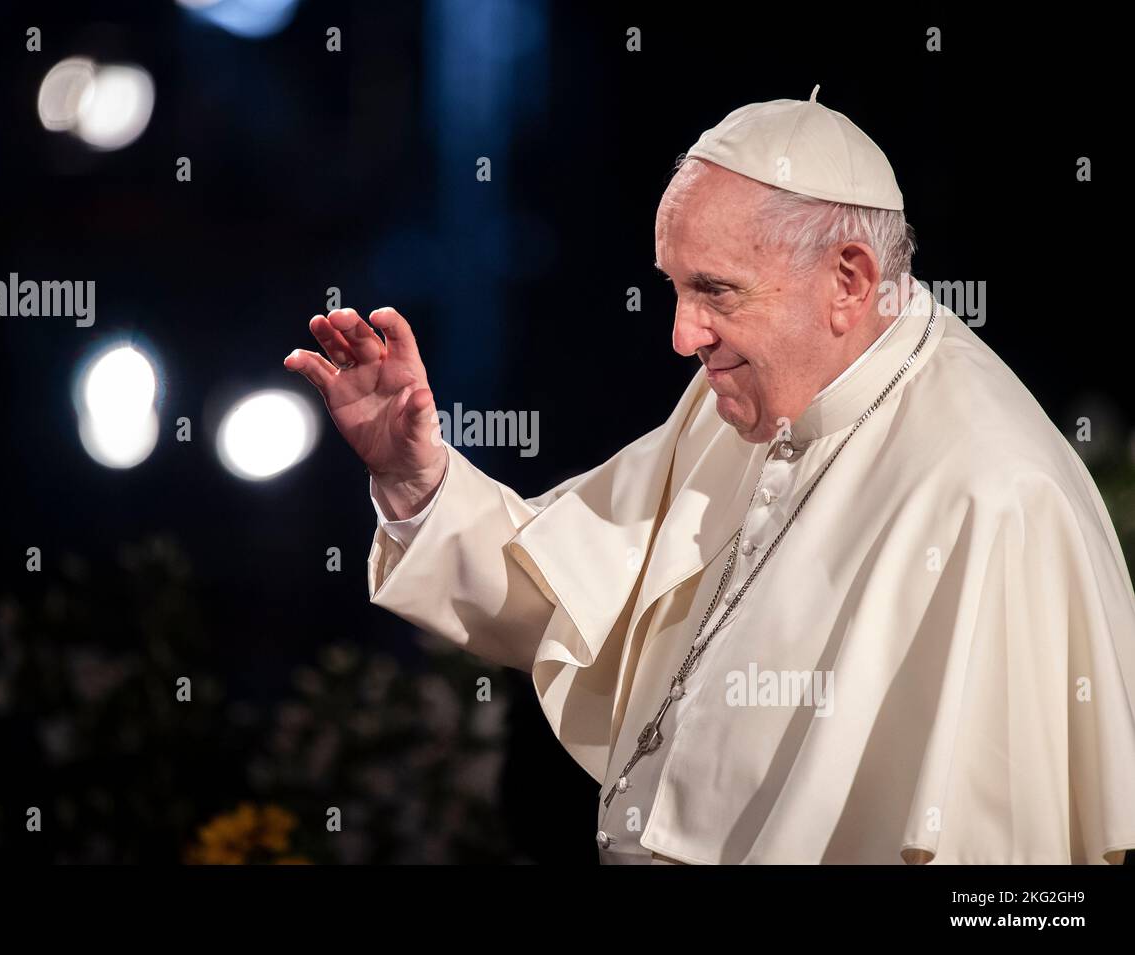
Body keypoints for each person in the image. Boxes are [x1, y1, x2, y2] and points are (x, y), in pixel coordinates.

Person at [284, 91, 1135, 864]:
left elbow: (1013, 877)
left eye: (716, 292)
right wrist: (414, 477)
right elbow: (562, 592)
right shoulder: (747, 399)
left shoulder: (994, 492)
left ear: (849, 280)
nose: (683, 335)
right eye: (675, 289)